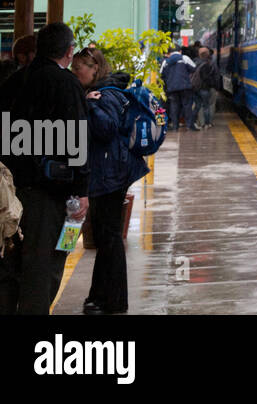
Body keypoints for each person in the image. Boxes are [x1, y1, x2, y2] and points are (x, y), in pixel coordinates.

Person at [0, 23, 89, 315]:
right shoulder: (67, 84)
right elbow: (77, 142)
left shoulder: (15, 82)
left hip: (10, 193)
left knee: (8, 266)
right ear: (69, 51)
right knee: (42, 271)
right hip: (48, 197)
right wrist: (81, 191)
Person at [71, 46, 148, 315]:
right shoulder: (98, 91)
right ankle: (100, 298)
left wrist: (90, 105)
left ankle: (113, 302)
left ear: (94, 69)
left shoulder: (106, 94)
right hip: (107, 172)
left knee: (110, 238)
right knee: (107, 239)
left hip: (111, 174)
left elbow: (107, 129)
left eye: (78, 67)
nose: (74, 72)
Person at [160, 43, 195, 132]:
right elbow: (194, 68)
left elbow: (161, 74)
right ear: (180, 51)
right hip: (185, 87)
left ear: (170, 52)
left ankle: (175, 127)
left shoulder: (166, 61)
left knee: (174, 106)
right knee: (187, 106)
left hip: (172, 88)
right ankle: (189, 126)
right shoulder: (184, 58)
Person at [190, 47, 220, 130]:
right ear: (208, 54)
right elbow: (213, 77)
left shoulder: (194, 62)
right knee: (207, 106)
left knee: (198, 105)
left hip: (196, 88)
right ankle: (207, 123)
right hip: (205, 88)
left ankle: (199, 122)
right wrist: (215, 87)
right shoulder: (210, 64)